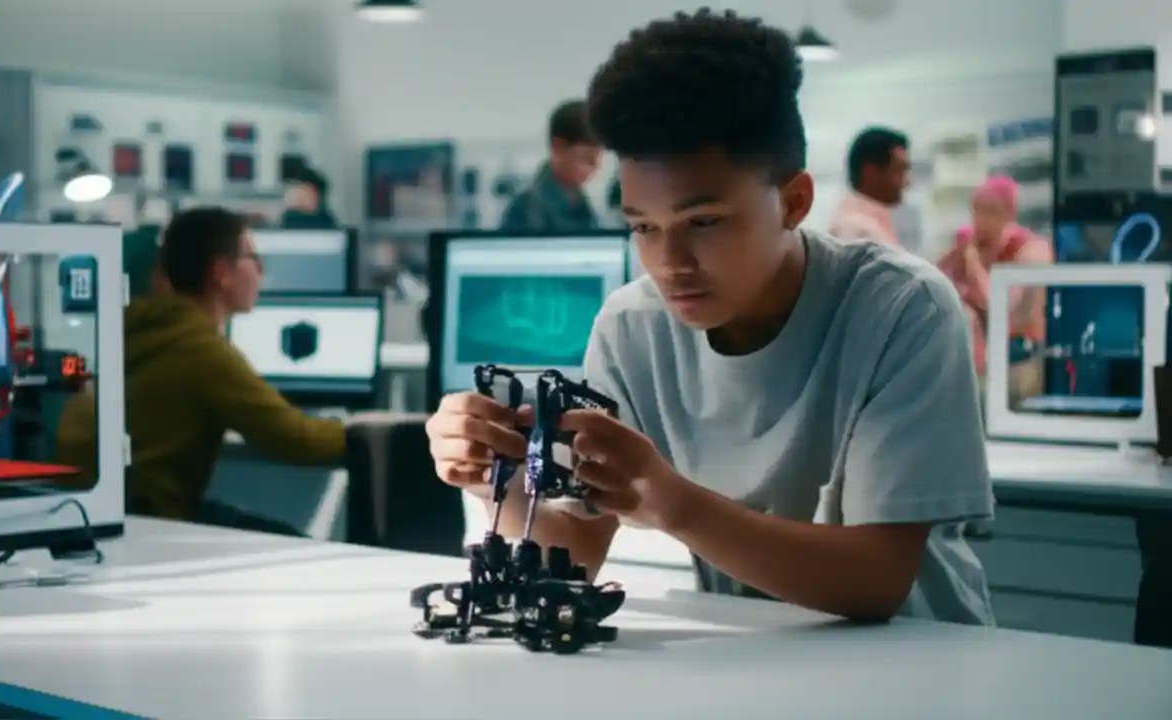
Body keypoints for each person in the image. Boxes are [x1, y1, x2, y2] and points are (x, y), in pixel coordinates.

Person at [425, 10, 995, 626]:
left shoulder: (902, 308)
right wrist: (496, 476)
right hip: (756, 664)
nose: (670, 264)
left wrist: (673, 504)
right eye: (643, 227)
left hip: (924, 665)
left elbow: (879, 579)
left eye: (704, 222)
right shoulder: (632, 329)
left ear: (795, 201)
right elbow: (575, 555)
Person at [56, 207, 346, 528]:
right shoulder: (199, 347)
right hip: (156, 522)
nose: (261, 270)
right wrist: (371, 434)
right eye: (253, 257)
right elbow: (298, 440)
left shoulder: (147, 325)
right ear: (221, 272)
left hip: (106, 514)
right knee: (298, 550)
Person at [937, 175, 1053, 383]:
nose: (980, 220)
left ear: (1009, 213)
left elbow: (1000, 308)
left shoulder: (1029, 250)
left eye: (989, 212)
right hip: (976, 354)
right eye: (976, 210)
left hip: (1022, 350)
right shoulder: (967, 247)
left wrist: (973, 263)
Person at [499, 100, 602, 232]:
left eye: (598, 158)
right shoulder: (526, 211)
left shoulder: (583, 207)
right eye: (587, 159)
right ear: (558, 148)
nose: (596, 167)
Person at [828, 127, 911, 246]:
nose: (907, 182)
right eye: (899, 170)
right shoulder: (860, 230)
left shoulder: (865, 224)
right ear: (870, 172)